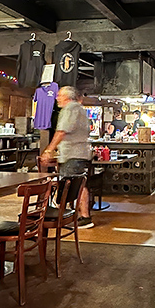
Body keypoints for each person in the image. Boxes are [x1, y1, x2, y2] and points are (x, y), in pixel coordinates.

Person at [39, 86, 93, 228]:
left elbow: (62, 131)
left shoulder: (69, 109)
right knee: (80, 184)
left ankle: (64, 216)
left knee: (69, 185)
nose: (57, 98)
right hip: (81, 153)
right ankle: (83, 216)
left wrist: (49, 150)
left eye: (60, 95)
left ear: (68, 97)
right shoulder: (80, 109)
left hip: (72, 154)